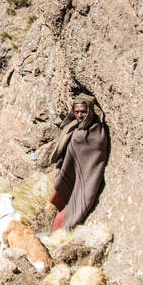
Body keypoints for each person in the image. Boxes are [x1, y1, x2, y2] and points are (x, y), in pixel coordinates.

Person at [47, 93, 109, 232]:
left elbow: (94, 155)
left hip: (86, 176)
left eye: (83, 112)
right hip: (69, 171)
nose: (80, 115)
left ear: (90, 111)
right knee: (64, 206)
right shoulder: (73, 127)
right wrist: (60, 167)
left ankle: (69, 225)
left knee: (80, 201)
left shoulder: (97, 133)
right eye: (77, 112)